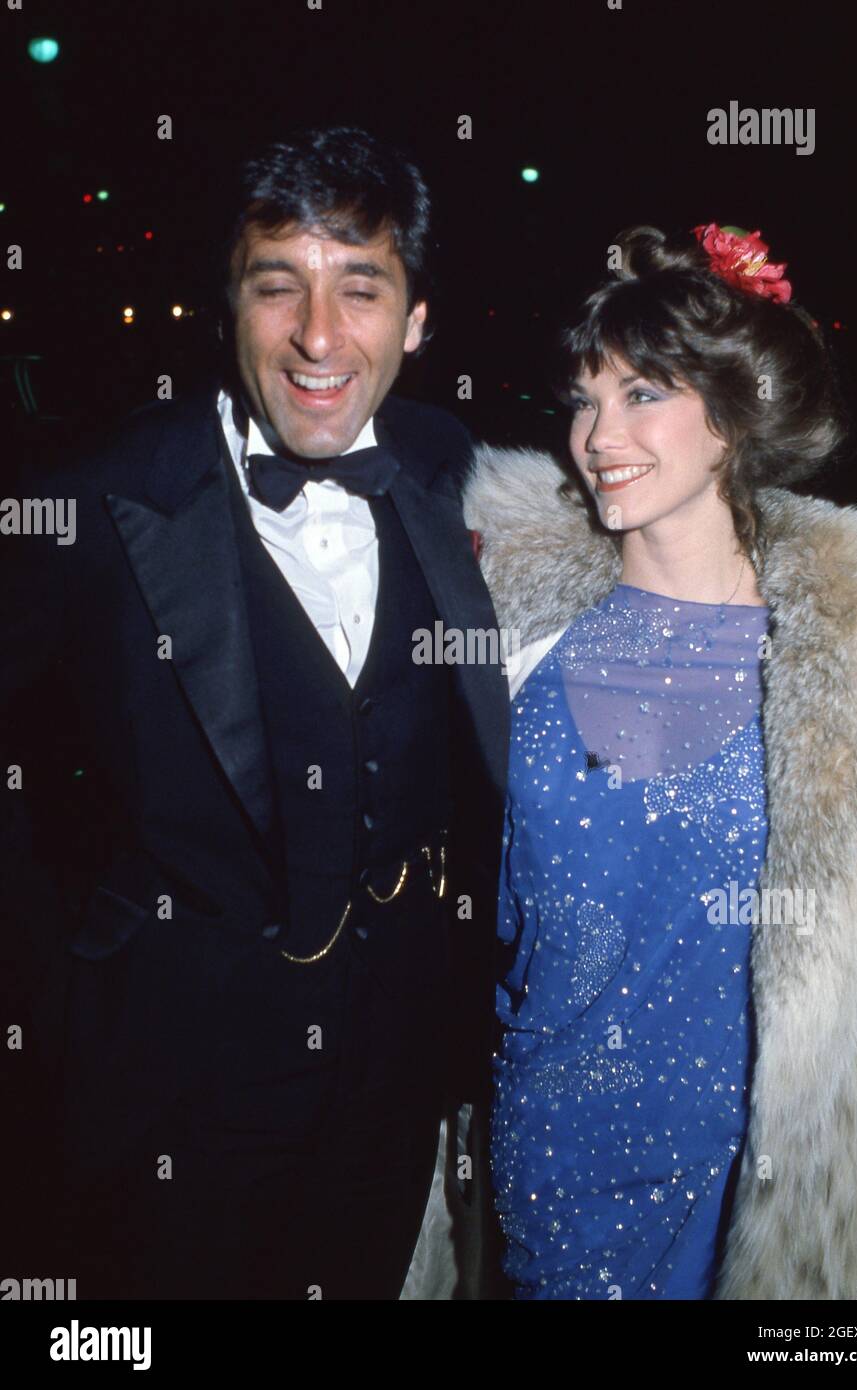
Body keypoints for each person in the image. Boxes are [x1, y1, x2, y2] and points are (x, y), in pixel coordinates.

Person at [0, 125, 510, 1300]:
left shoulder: (452, 467)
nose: (318, 337)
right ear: (225, 307)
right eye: (278, 287)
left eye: (359, 291)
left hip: (393, 1066)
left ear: (416, 320)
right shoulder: (94, 497)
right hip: (171, 1071)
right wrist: (52, 977)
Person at [462, 223, 857, 1299]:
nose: (595, 433)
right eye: (582, 396)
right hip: (556, 1168)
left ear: (728, 418)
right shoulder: (505, 626)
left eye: (640, 394)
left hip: (762, 1189)